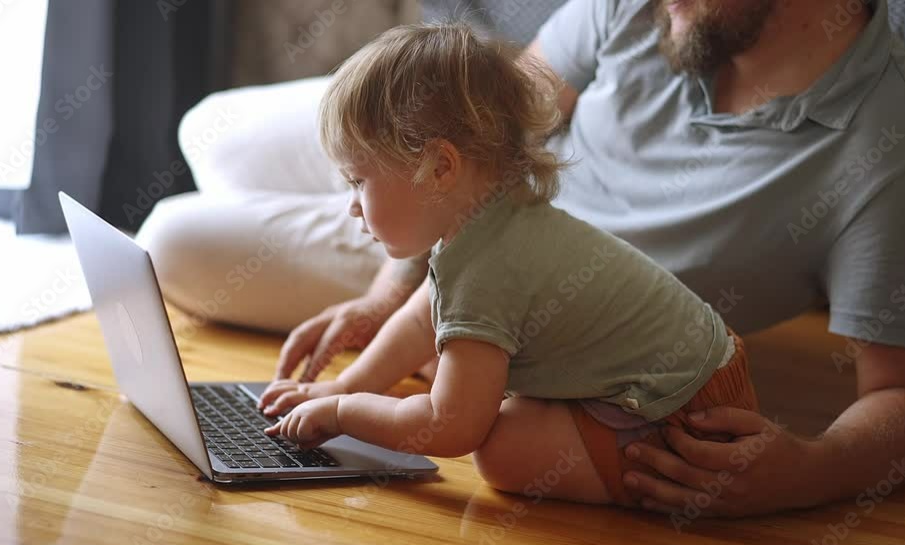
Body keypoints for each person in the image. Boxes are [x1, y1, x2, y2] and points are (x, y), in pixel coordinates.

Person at [138, 0, 905, 516]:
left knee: (173, 235)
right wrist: (390, 286)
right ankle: (366, 198)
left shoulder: (898, 147)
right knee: (214, 133)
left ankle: (361, 199)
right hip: (465, 196)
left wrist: (809, 472)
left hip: (512, 269)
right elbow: (495, 123)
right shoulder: (654, 11)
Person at [254, 20, 760, 506]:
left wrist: (345, 412)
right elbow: (418, 319)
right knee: (486, 396)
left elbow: (449, 427)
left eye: (358, 181)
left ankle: (656, 484)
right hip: (700, 373)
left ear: (440, 168)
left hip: (688, 417)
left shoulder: (487, 271)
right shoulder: (494, 220)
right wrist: (342, 385)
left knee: (500, 452)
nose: (352, 205)